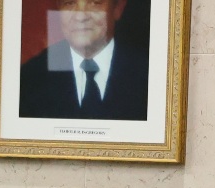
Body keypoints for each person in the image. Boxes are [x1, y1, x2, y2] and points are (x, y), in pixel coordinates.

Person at [18, 0, 149, 122]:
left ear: (117, 9)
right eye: (69, 3)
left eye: (94, 3)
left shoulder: (148, 74)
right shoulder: (29, 78)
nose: (80, 17)